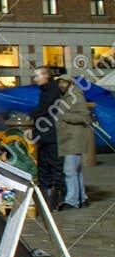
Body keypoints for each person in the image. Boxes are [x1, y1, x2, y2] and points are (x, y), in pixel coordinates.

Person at [54, 74, 94, 209]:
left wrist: (64, 116)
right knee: (77, 170)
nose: (60, 84)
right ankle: (82, 198)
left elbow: (85, 117)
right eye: (59, 82)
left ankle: (72, 201)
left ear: (69, 83)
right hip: (69, 137)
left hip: (75, 137)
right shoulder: (65, 96)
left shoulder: (76, 96)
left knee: (69, 170)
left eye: (62, 82)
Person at [29, 66, 66, 211]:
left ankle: (58, 198)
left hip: (51, 135)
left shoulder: (52, 90)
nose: (35, 78)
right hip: (44, 135)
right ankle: (47, 199)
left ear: (46, 76)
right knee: (44, 167)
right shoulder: (46, 90)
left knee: (54, 166)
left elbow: (44, 108)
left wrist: (31, 113)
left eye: (37, 76)